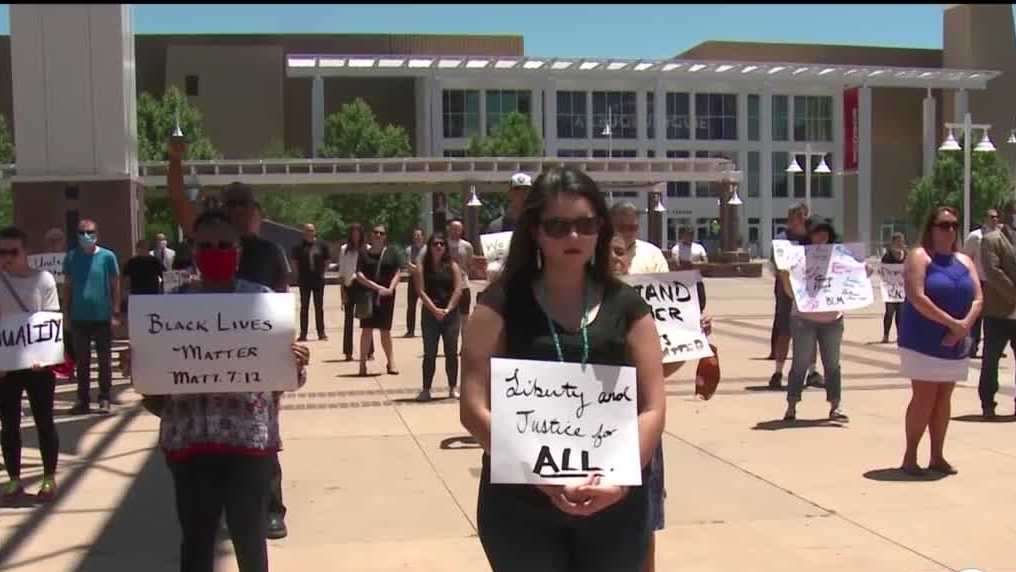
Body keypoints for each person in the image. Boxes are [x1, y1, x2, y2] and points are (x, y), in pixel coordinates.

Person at [460, 166, 666, 572]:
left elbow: (652, 406)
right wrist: (537, 475)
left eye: (585, 224)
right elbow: (473, 408)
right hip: (521, 507)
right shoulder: (497, 306)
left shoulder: (629, 308)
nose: (573, 237)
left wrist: (620, 482)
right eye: (557, 226)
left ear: (601, 229)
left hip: (613, 504)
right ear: (535, 231)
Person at [135, 209, 310, 572]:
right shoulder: (169, 307)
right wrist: (141, 369)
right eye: (207, 245)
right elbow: (155, 398)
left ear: (239, 250)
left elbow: (281, 381)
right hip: (189, 445)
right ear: (194, 250)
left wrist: (295, 362)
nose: (216, 251)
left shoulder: (264, 302)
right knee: (197, 542)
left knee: (250, 540)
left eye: (225, 245)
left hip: (249, 444)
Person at [166, 139, 294, 540]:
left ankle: (271, 507)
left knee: (264, 440)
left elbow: (282, 308)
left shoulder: (271, 252)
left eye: (245, 204)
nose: (238, 210)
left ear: (257, 214)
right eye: (230, 203)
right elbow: (178, 203)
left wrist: (286, 356)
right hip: (204, 363)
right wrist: (175, 161)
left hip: (254, 366)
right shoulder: (207, 243)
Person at [608, 233, 711, 572]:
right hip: (586, 428)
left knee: (643, 525)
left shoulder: (642, 311)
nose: (613, 258)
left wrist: (690, 336)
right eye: (605, 251)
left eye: (620, 252)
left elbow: (658, 372)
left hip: (639, 427)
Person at [898, 206, 980, 474]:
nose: (950, 230)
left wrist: (964, 325)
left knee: (944, 397)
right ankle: (910, 457)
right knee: (924, 397)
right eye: (944, 225)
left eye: (954, 225)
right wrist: (951, 323)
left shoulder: (964, 260)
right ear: (931, 227)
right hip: (923, 340)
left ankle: (937, 456)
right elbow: (917, 296)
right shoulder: (919, 256)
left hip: (955, 340)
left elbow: (979, 297)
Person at [0, 226, 61, 503]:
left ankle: (49, 477)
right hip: (6, 366)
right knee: (9, 423)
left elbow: (50, 319)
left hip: (39, 365)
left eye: (13, 252)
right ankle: (14, 479)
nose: (7, 257)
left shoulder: (43, 279)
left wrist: (45, 356)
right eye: (2, 252)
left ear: (25, 252)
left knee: (44, 421)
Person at [779, 215, 848, 422]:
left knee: (832, 364)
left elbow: (850, 281)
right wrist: (785, 276)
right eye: (817, 232)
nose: (821, 236)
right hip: (803, 319)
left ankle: (835, 406)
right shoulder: (798, 258)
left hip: (833, 319)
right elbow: (791, 293)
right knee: (799, 363)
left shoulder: (839, 257)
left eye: (824, 231)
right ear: (809, 235)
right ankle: (791, 406)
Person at [63, 219, 120, 415]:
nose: (86, 236)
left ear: (97, 233)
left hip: (102, 318)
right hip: (79, 318)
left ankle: (104, 398)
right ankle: (83, 400)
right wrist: (66, 314)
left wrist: (115, 312)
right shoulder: (71, 257)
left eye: (90, 231)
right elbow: (68, 287)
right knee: (82, 362)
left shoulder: (107, 257)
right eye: (81, 232)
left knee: (104, 361)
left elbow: (115, 285)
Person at [768, 203, 823, 390]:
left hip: (809, 291)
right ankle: (777, 372)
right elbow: (776, 266)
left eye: (803, 217)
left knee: (811, 332)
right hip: (786, 291)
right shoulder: (782, 240)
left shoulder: (812, 239)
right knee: (785, 331)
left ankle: (812, 372)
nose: (800, 220)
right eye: (797, 217)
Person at [413, 231, 463, 402]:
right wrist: (434, 309)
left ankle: (452, 388)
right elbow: (420, 291)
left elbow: (458, 289)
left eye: (442, 244)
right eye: (435, 244)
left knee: (451, 352)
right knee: (430, 353)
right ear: (430, 246)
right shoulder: (422, 267)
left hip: (450, 315)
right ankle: (426, 389)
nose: (439, 246)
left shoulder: (453, 266)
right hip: (430, 314)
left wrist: (448, 309)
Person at [977, 199, 1016, 418]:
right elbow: (993, 271)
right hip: (999, 310)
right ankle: (988, 404)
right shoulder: (991, 240)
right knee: (991, 360)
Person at [355, 224, 404, 377]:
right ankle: (362, 363)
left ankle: (391, 362)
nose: (378, 235)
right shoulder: (363, 253)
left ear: (385, 237)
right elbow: (359, 275)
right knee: (367, 330)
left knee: (385, 331)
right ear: (371, 235)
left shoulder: (392, 253)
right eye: (375, 233)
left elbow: (398, 272)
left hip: (386, 297)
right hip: (368, 296)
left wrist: (390, 288)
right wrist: (377, 287)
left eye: (381, 233)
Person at [963, 209, 999, 358]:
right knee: (976, 316)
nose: (995, 220)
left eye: (997, 217)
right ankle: (972, 346)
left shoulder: (1000, 237)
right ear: (985, 218)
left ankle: (994, 349)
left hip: (995, 284)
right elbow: (966, 258)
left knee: (994, 317)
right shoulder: (975, 237)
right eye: (992, 217)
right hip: (978, 281)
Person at [291, 223, 330, 342]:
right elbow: (294, 262)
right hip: (304, 280)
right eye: (307, 230)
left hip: (318, 280)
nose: (309, 232)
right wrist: (297, 274)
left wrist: (323, 273)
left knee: (319, 307)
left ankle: (321, 333)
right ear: (303, 232)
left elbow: (327, 260)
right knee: (304, 307)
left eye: (311, 230)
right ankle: (303, 334)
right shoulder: (298, 246)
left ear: (315, 232)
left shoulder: (321, 245)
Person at [609, 202, 669, 274]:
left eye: (632, 228)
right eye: (622, 227)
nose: (628, 232)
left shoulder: (653, 253)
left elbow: (665, 282)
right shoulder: (597, 251)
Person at [338, 224, 364, 362]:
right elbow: (341, 272)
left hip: (363, 286)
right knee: (348, 321)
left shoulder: (366, 249)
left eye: (357, 232)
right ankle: (348, 351)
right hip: (349, 285)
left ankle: (369, 350)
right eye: (353, 232)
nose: (355, 235)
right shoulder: (344, 250)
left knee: (366, 319)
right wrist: (342, 293)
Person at [881, 232, 907, 343]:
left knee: (901, 314)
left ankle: (900, 335)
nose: (899, 243)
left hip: (902, 289)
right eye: (897, 241)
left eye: (901, 241)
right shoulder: (887, 256)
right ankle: (885, 335)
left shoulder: (907, 255)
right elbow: (883, 270)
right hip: (890, 289)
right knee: (889, 312)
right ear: (892, 243)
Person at [404, 228, 425, 338]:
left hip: (426, 280)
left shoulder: (427, 250)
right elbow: (408, 265)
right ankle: (410, 330)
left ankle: (427, 329)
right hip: (413, 280)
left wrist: (416, 268)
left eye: (419, 235)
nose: (417, 237)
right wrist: (420, 268)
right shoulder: (408, 250)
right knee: (411, 306)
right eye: (415, 235)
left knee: (426, 305)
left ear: (423, 237)